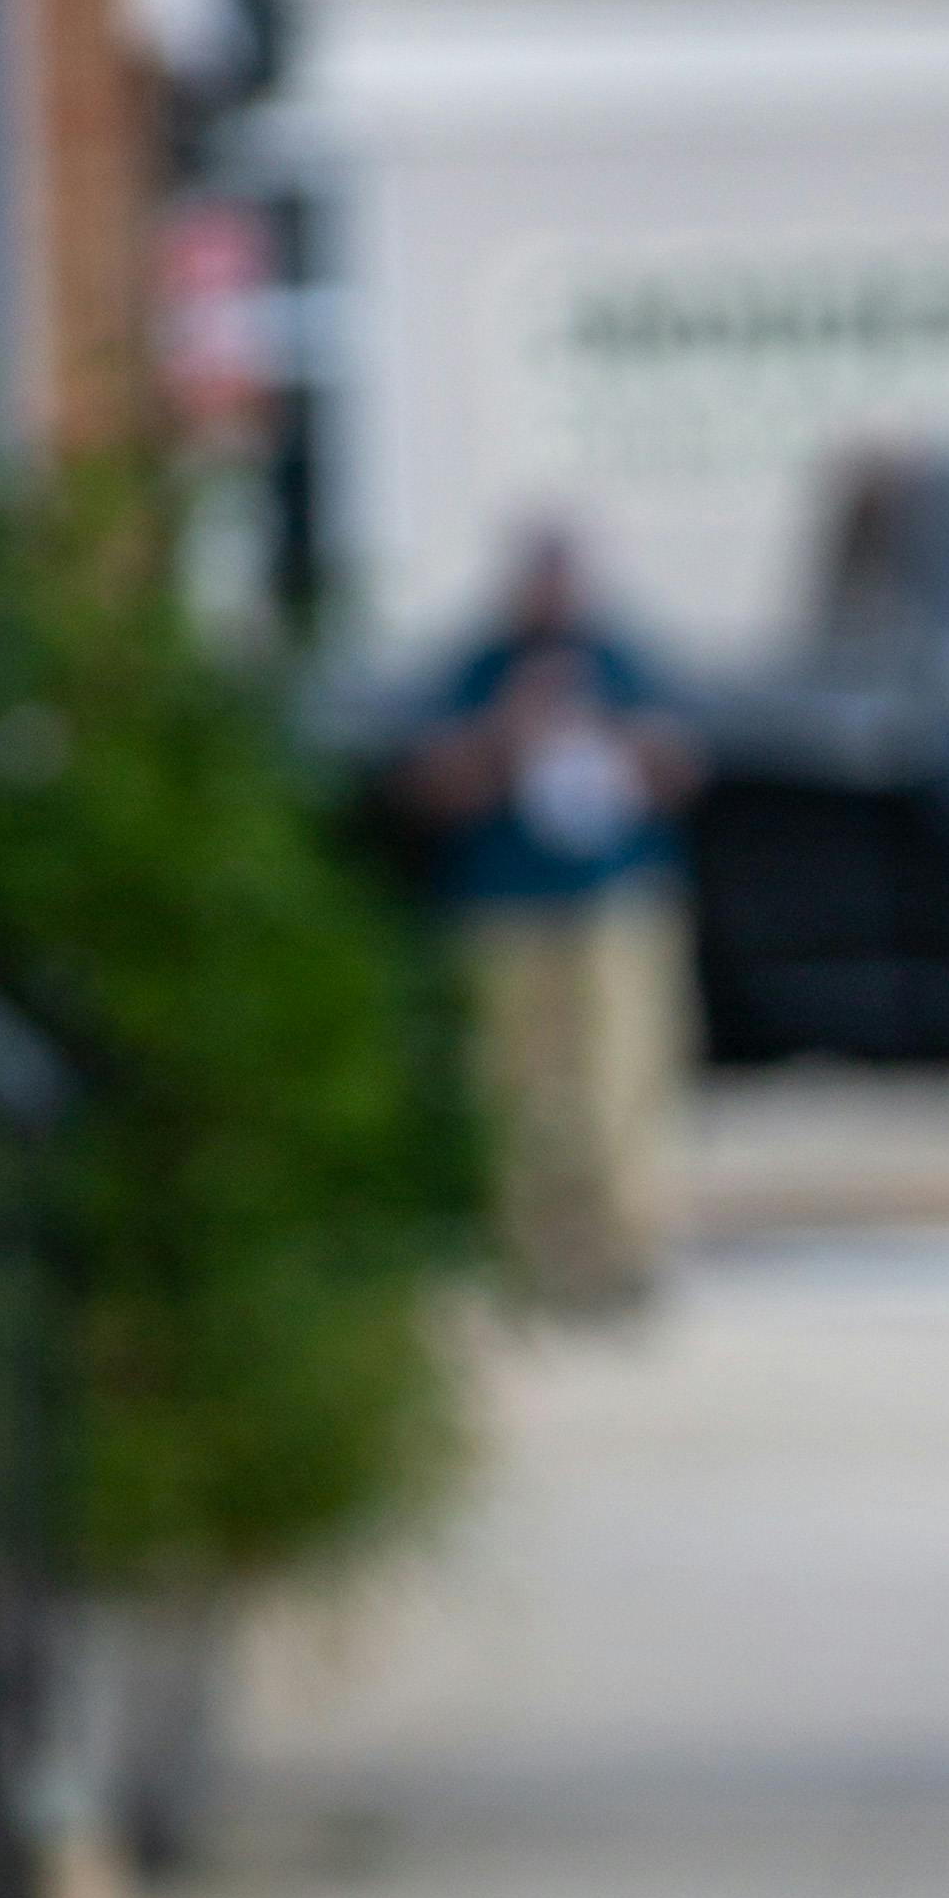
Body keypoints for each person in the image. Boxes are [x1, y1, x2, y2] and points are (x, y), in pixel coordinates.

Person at [397, 530, 703, 1313]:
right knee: (516, 1087)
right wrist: (506, 736)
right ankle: (532, 1256)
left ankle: (622, 1251)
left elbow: (682, 767)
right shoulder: (480, 671)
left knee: (620, 1082)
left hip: (611, 902)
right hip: (505, 906)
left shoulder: (619, 663)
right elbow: (427, 787)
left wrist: (620, 744)